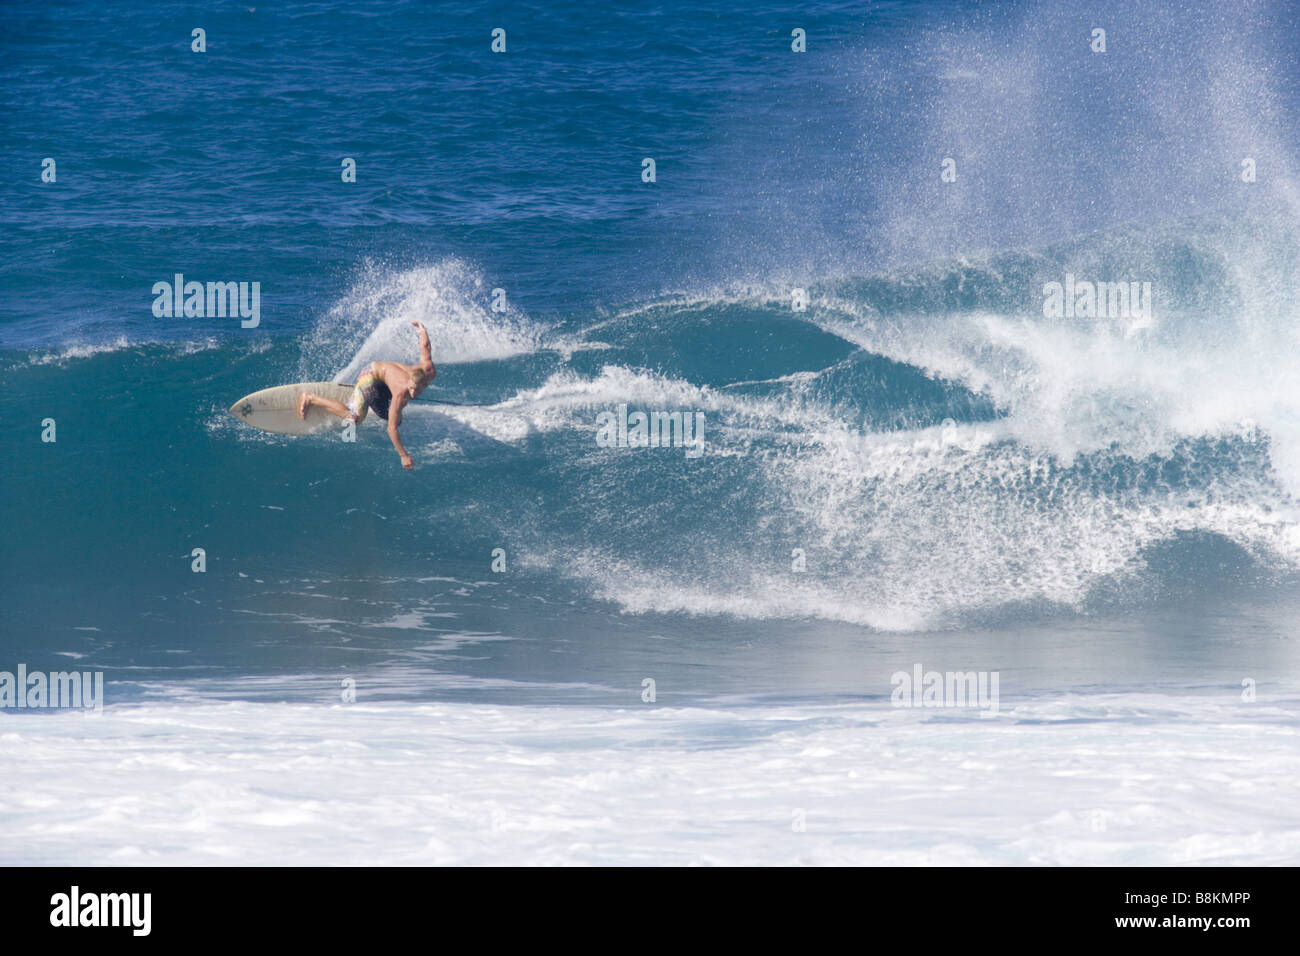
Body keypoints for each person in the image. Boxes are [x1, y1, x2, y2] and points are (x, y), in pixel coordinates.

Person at [298, 321, 436, 470]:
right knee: (354, 420)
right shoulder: (401, 394)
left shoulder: (428, 370)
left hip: (383, 381)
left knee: (393, 416)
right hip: (369, 376)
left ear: (425, 383)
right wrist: (403, 455)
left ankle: (368, 399)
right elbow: (391, 428)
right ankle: (311, 398)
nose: (413, 393)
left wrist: (422, 331)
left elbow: (425, 348)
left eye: (416, 389)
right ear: (408, 382)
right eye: (411, 388)